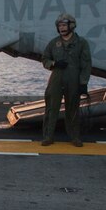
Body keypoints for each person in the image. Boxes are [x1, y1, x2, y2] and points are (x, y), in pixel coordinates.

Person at [41, 13, 92, 147]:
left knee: (73, 109)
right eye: (60, 26)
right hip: (56, 78)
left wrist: (83, 83)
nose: (62, 28)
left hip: (73, 79)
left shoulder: (81, 43)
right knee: (52, 108)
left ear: (71, 26)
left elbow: (86, 64)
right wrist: (54, 64)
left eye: (64, 25)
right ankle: (48, 136)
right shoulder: (53, 43)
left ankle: (75, 137)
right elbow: (45, 59)